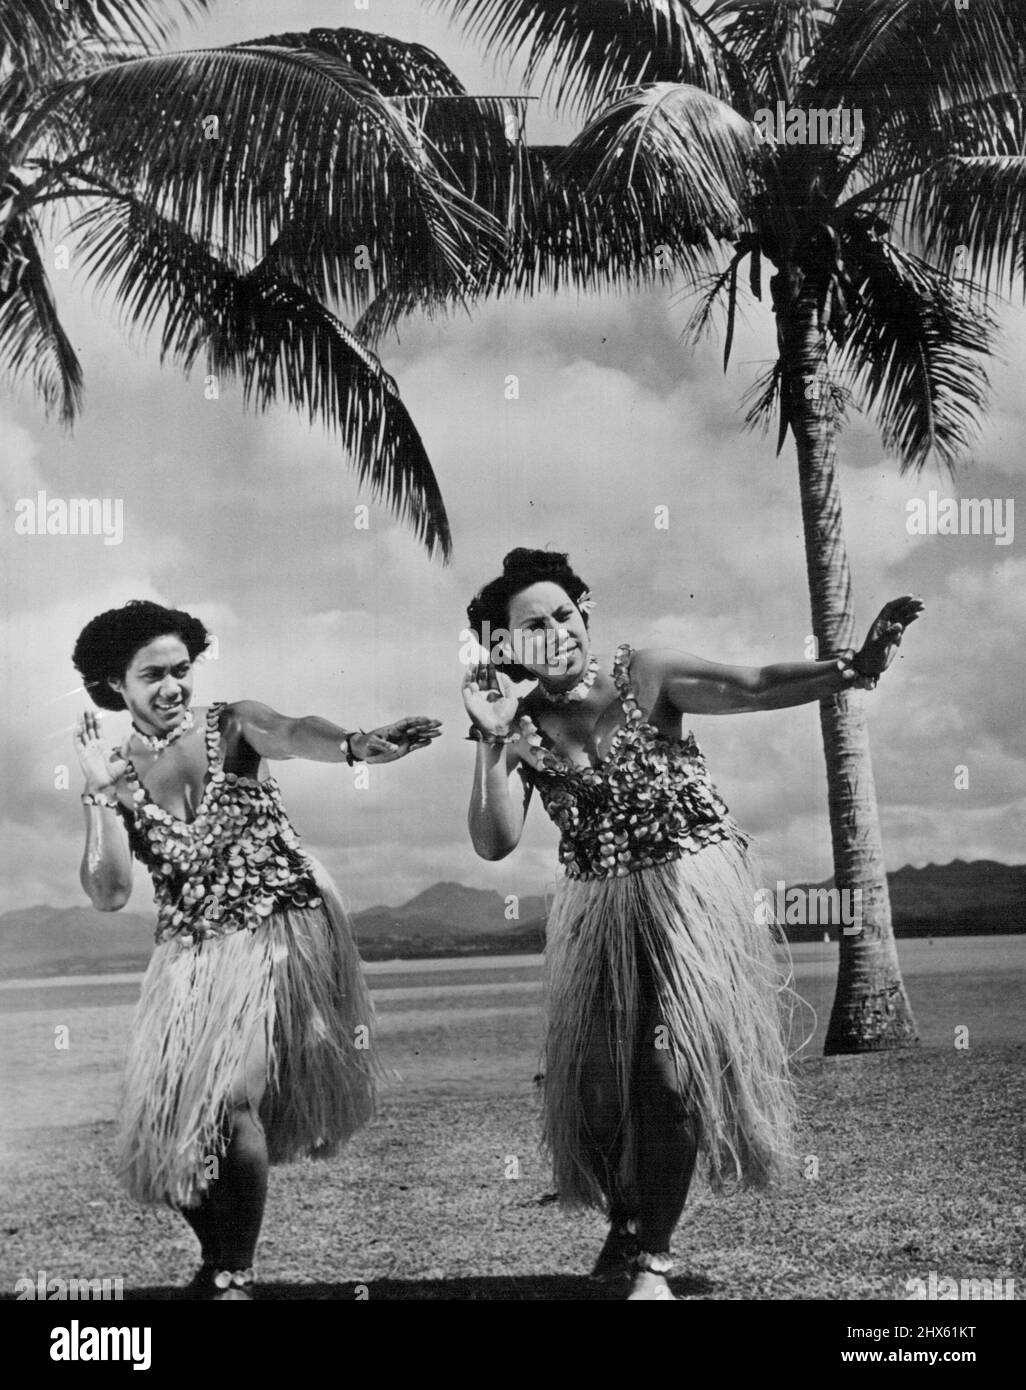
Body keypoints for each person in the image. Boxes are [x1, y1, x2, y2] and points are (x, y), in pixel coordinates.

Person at [462, 548, 921, 1301]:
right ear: (504, 647)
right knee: (602, 1096)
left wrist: (853, 669)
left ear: (588, 611)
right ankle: (629, 1212)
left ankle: (655, 1263)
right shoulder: (515, 724)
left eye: (566, 614)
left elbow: (752, 685)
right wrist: (488, 738)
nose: (558, 633)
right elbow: (493, 840)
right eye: (533, 627)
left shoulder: (647, 672)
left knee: (668, 1075)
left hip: (688, 899)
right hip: (596, 911)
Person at [72, 599, 441, 1299]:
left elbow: (294, 730)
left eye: (181, 669)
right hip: (189, 952)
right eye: (153, 675)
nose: (173, 686)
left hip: (278, 928)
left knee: (233, 1098)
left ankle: (236, 1278)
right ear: (115, 685)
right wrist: (100, 795)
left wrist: (356, 746)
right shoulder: (112, 768)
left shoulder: (230, 725)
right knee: (170, 1127)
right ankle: (220, 1262)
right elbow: (110, 891)